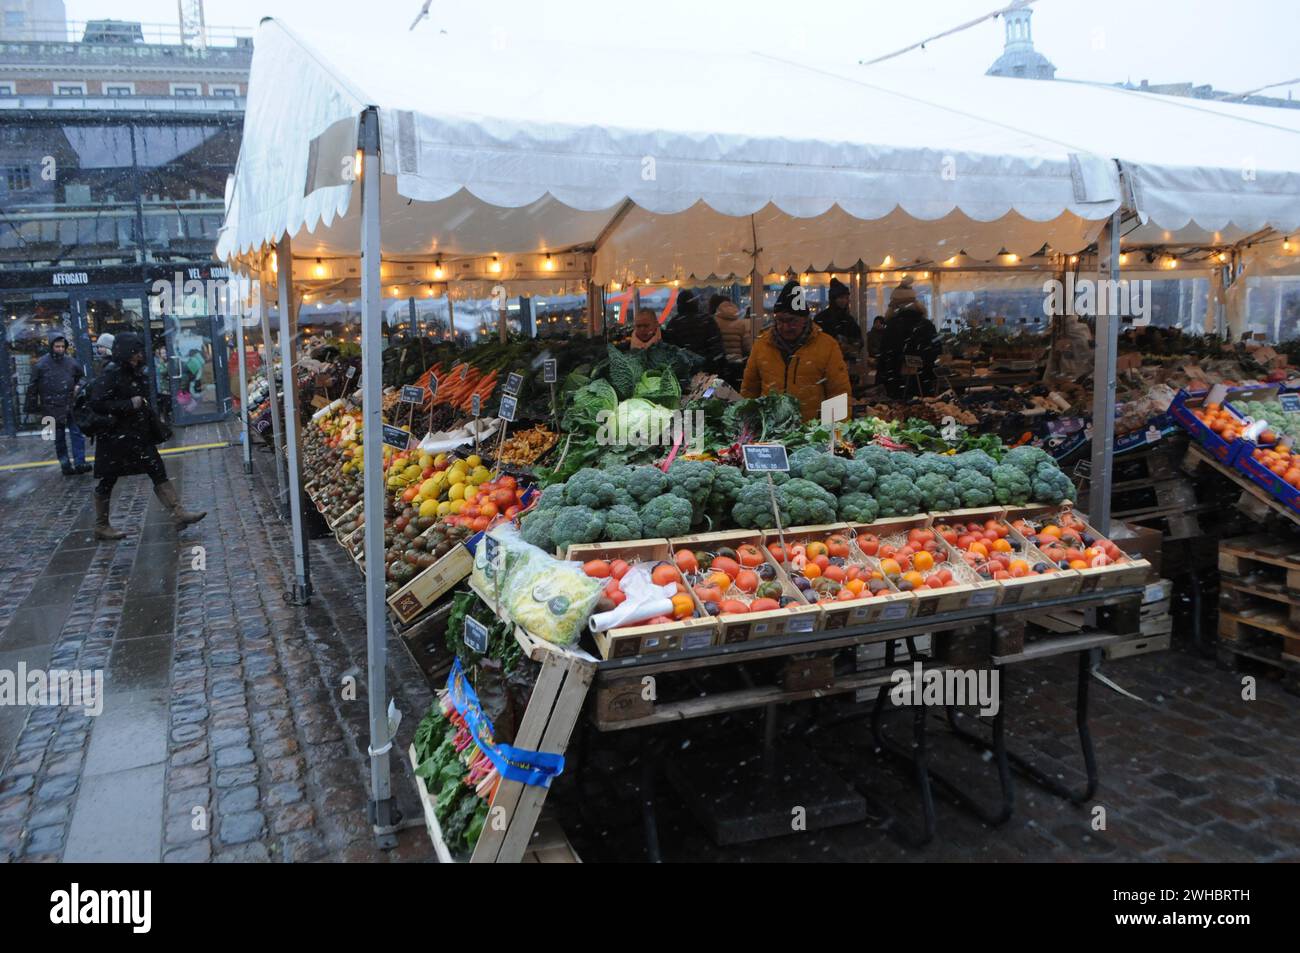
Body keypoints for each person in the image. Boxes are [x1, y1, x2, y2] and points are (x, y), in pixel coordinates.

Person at [88, 332, 205, 540]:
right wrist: (127, 405)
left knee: (157, 470)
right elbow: (97, 404)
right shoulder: (110, 374)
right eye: (136, 352)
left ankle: (178, 513)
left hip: (137, 436)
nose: (140, 356)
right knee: (108, 480)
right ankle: (101, 525)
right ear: (126, 353)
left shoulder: (135, 372)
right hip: (115, 438)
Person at [741, 280, 851, 420]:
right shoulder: (761, 345)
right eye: (780, 320)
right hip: (769, 434)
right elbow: (749, 391)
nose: (785, 327)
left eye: (792, 321)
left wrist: (836, 435)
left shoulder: (827, 346)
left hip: (811, 434)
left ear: (805, 319)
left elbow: (838, 394)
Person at [25, 334, 89, 475]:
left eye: (62, 346)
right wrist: (32, 407)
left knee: (76, 433)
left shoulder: (70, 362)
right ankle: (65, 464)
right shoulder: (41, 364)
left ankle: (80, 462)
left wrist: (79, 385)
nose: (60, 349)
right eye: (57, 346)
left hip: (69, 403)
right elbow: (32, 387)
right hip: (51, 406)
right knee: (59, 437)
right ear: (51, 347)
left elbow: (82, 377)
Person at [879, 280, 942, 399]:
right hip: (924, 383)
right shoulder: (927, 324)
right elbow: (937, 350)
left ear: (895, 305)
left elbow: (885, 357)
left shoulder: (892, 326)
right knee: (925, 412)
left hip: (897, 383)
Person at [661, 288, 726, 370]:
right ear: (696, 303)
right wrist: (710, 363)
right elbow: (717, 346)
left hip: (684, 368)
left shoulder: (674, 323)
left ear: (679, 305)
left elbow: (671, 348)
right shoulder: (707, 320)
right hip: (708, 369)